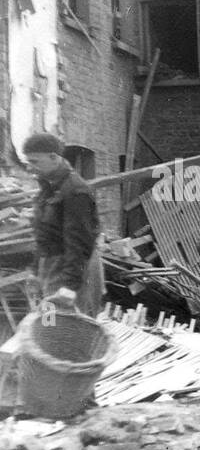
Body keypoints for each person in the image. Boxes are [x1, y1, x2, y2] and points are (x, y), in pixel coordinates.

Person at [24, 132, 104, 315]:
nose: (30, 168)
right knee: (48, 322)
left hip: (73, 269)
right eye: (28, 162)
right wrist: (35, 271)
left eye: (35, 162)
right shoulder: (48, 187)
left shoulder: (75, 191)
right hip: (52, 266)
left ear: (54, 158)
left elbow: (79, 243)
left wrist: (70, 286)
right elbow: (43, 234)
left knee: (74, 326)